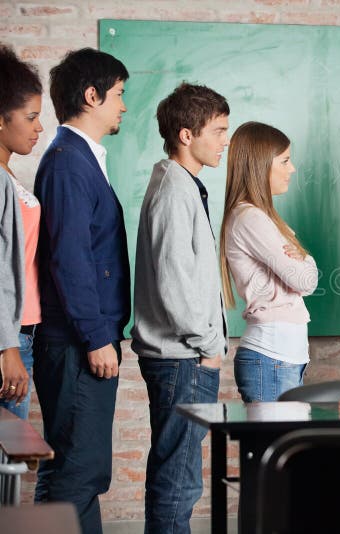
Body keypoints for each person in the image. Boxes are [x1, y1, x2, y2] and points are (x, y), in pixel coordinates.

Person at [32, 48, 130, 534]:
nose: (123, 107)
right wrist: (95, 337)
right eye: (118, 95)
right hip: (76, 343)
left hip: (76, 340)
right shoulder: (70, 162)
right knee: (79, 471)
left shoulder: (78, 158)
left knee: (69, 468)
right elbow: (70, 260)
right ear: (91, 97)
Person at [130, 83, 229, 533]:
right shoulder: (174, 190)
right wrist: (209, 344)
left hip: (184, 357)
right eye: (218, 130)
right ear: (187, 135)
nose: (225, 140)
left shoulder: (184, 184)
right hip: (183, 359)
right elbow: (175, 284)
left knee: (178, 475)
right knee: (179, 481)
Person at [220, 122, 318, 402]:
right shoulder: (251, 218)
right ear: (260, 165)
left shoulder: (262, 216)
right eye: (285, 161)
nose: (293, 169)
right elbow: (305, 280)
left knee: (282, 445)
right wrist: (307, 259)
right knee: (273, 446)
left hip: (281, 358)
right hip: (272, 358)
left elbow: (302, 277)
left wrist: (303, 261)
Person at [0, 44, 43, 418]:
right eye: (30, 118)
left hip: (21, 333)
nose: (39, 128)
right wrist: (7, 347)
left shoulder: (8, 175)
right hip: (8, 342)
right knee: (7, 467)